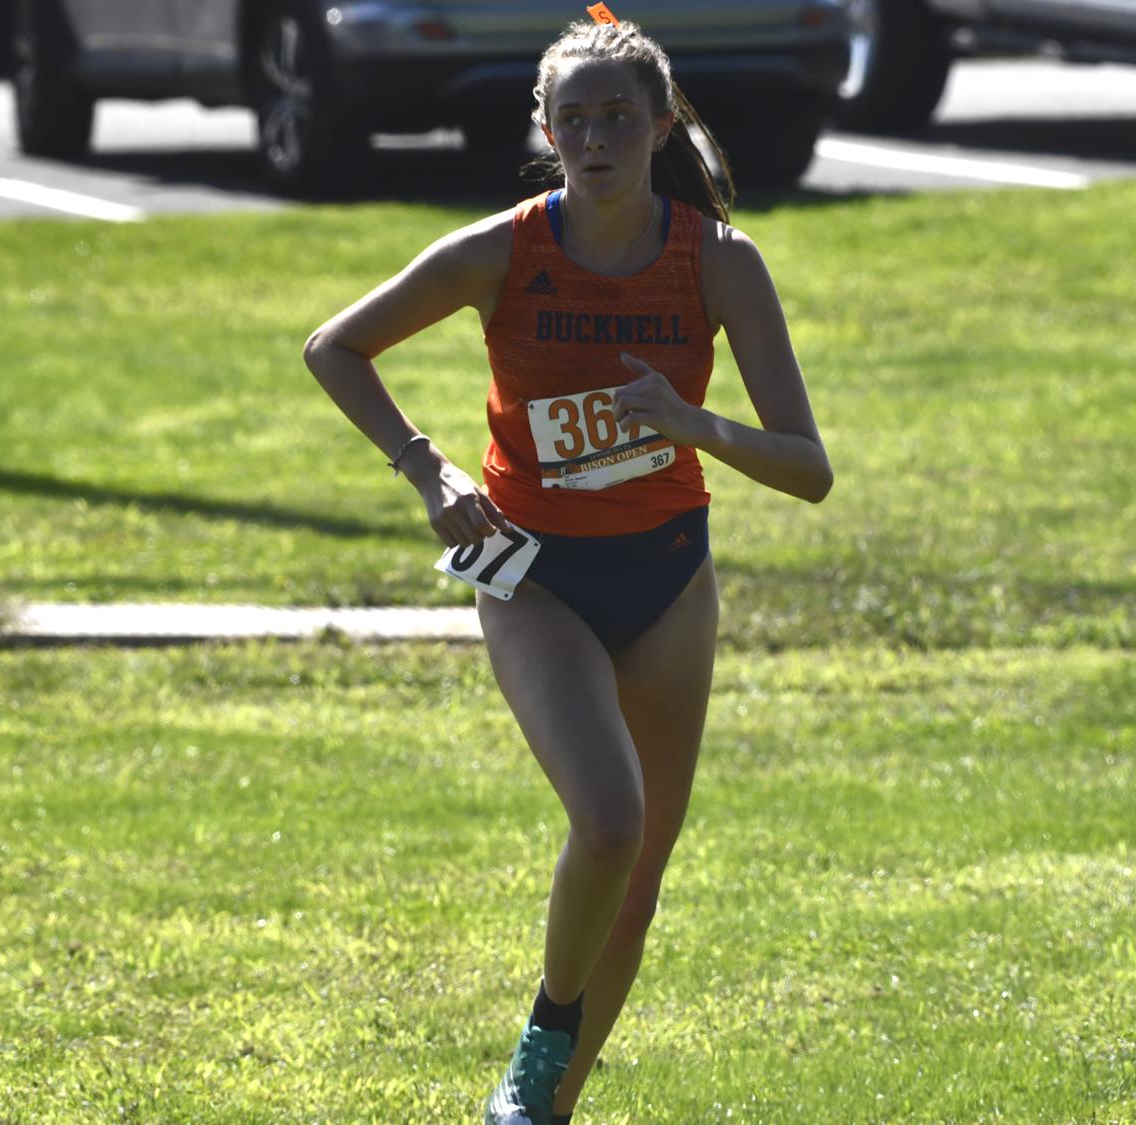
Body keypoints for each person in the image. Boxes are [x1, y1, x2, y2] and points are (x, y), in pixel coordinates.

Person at [301, 11, 832, 1122]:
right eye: (573, 118)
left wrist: (694, 424)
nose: (594, 137)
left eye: (616, 117)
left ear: (658, 124)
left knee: (634, 892)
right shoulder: (501, 248)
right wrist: (427, 469)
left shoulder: (718, 260)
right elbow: (333, 346)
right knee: (607, 818)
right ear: (544, 128)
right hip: (530, 571)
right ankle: (545, 1038)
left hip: (668, 578)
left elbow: (807, 468)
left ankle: (542, 1109)